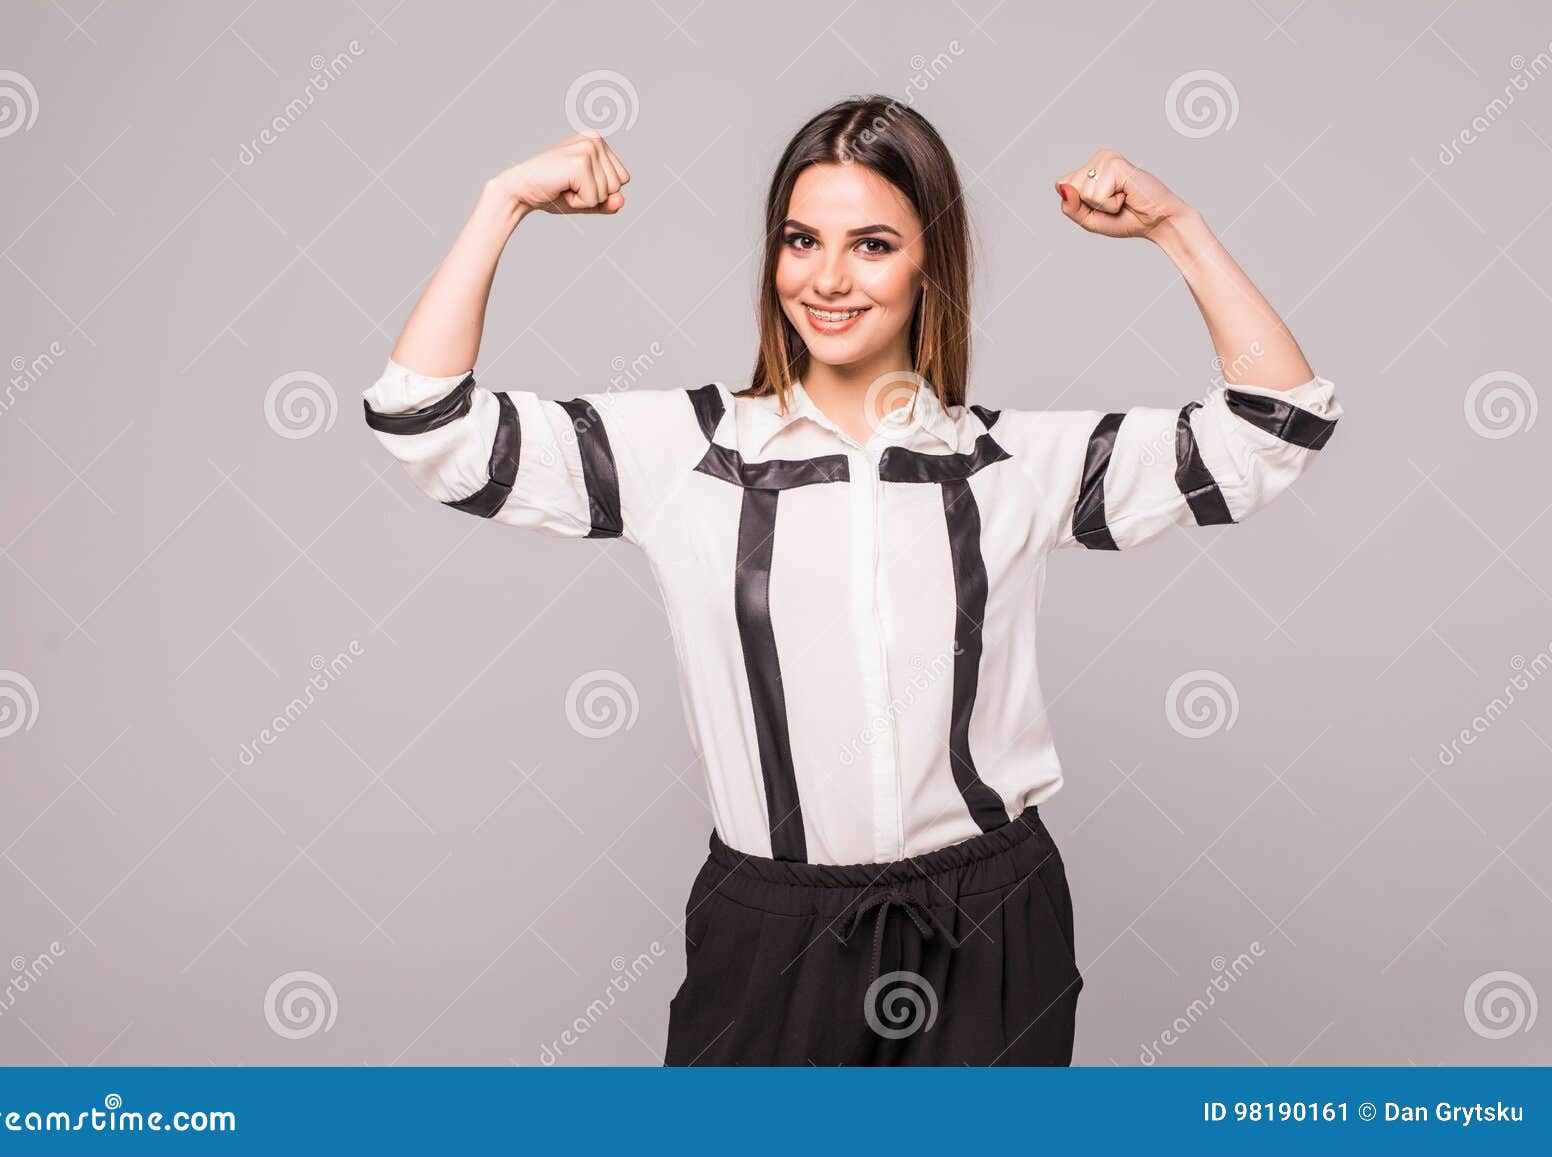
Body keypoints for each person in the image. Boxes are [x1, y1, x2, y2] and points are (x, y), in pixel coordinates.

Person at [361, 95, 1342, 1066]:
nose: (827, 278)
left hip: (991, 923)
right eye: (802, 241)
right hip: (770, 934)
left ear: (929, 264)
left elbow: (1276, 427)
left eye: (872, 244)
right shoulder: (682, 451)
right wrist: (503, 201)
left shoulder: (1010, 462)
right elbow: (427, 425)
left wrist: (1176, 228)